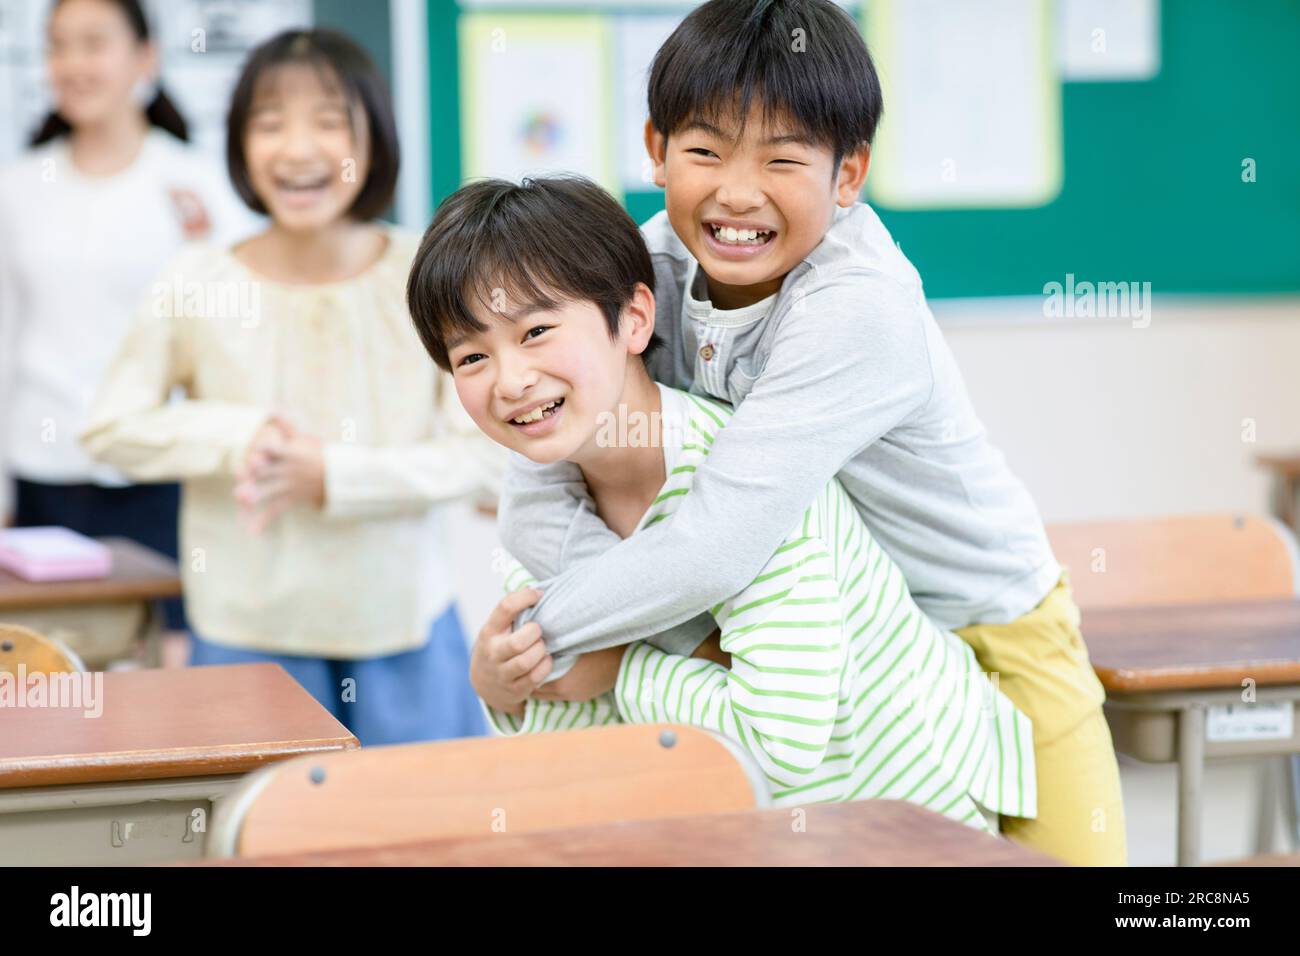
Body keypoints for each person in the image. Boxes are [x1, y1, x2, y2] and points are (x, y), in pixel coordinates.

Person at [472, 0, 1124, 864]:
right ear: (656, 151)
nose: (737, 193)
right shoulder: (644, 268)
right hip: (829, 630)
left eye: (781, 159)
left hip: (986, 623)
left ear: (848, 174)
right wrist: (575, 639)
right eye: (705, 152)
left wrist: (562, 638)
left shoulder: (856, 306)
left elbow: (714, 549)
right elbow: (532, 488)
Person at [407, 175, 1037, 830]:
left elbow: (778, 743)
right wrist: (502, 691)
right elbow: (579, 746)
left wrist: (621, 664)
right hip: (756, 831)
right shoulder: (539, 520)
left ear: (634, 319)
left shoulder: (748, 484)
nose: (510, 380)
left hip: (909, 814)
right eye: (472, 356)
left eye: (536, 331)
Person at [81, 29, 502, 745]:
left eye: (329, 121)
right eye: (270, 123)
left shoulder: (428, 273)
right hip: (247, 634)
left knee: (427, 842)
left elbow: (486, 455)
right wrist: (237, 435)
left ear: (374, 138)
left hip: (402, 624)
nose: (299, 149)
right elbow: (109, 429)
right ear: (242, 145)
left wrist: (329, 475)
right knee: (261, 843)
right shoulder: (197, 279)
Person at [0, 0, 256, 633]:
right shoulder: (19, 187)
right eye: (59, 46)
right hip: (43, 472)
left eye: (94, 43)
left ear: (145, 57)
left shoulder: (196, 185)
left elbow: (239, 336)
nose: (72, 64)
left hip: (163, 475)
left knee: (166, 675)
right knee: (48, 678)